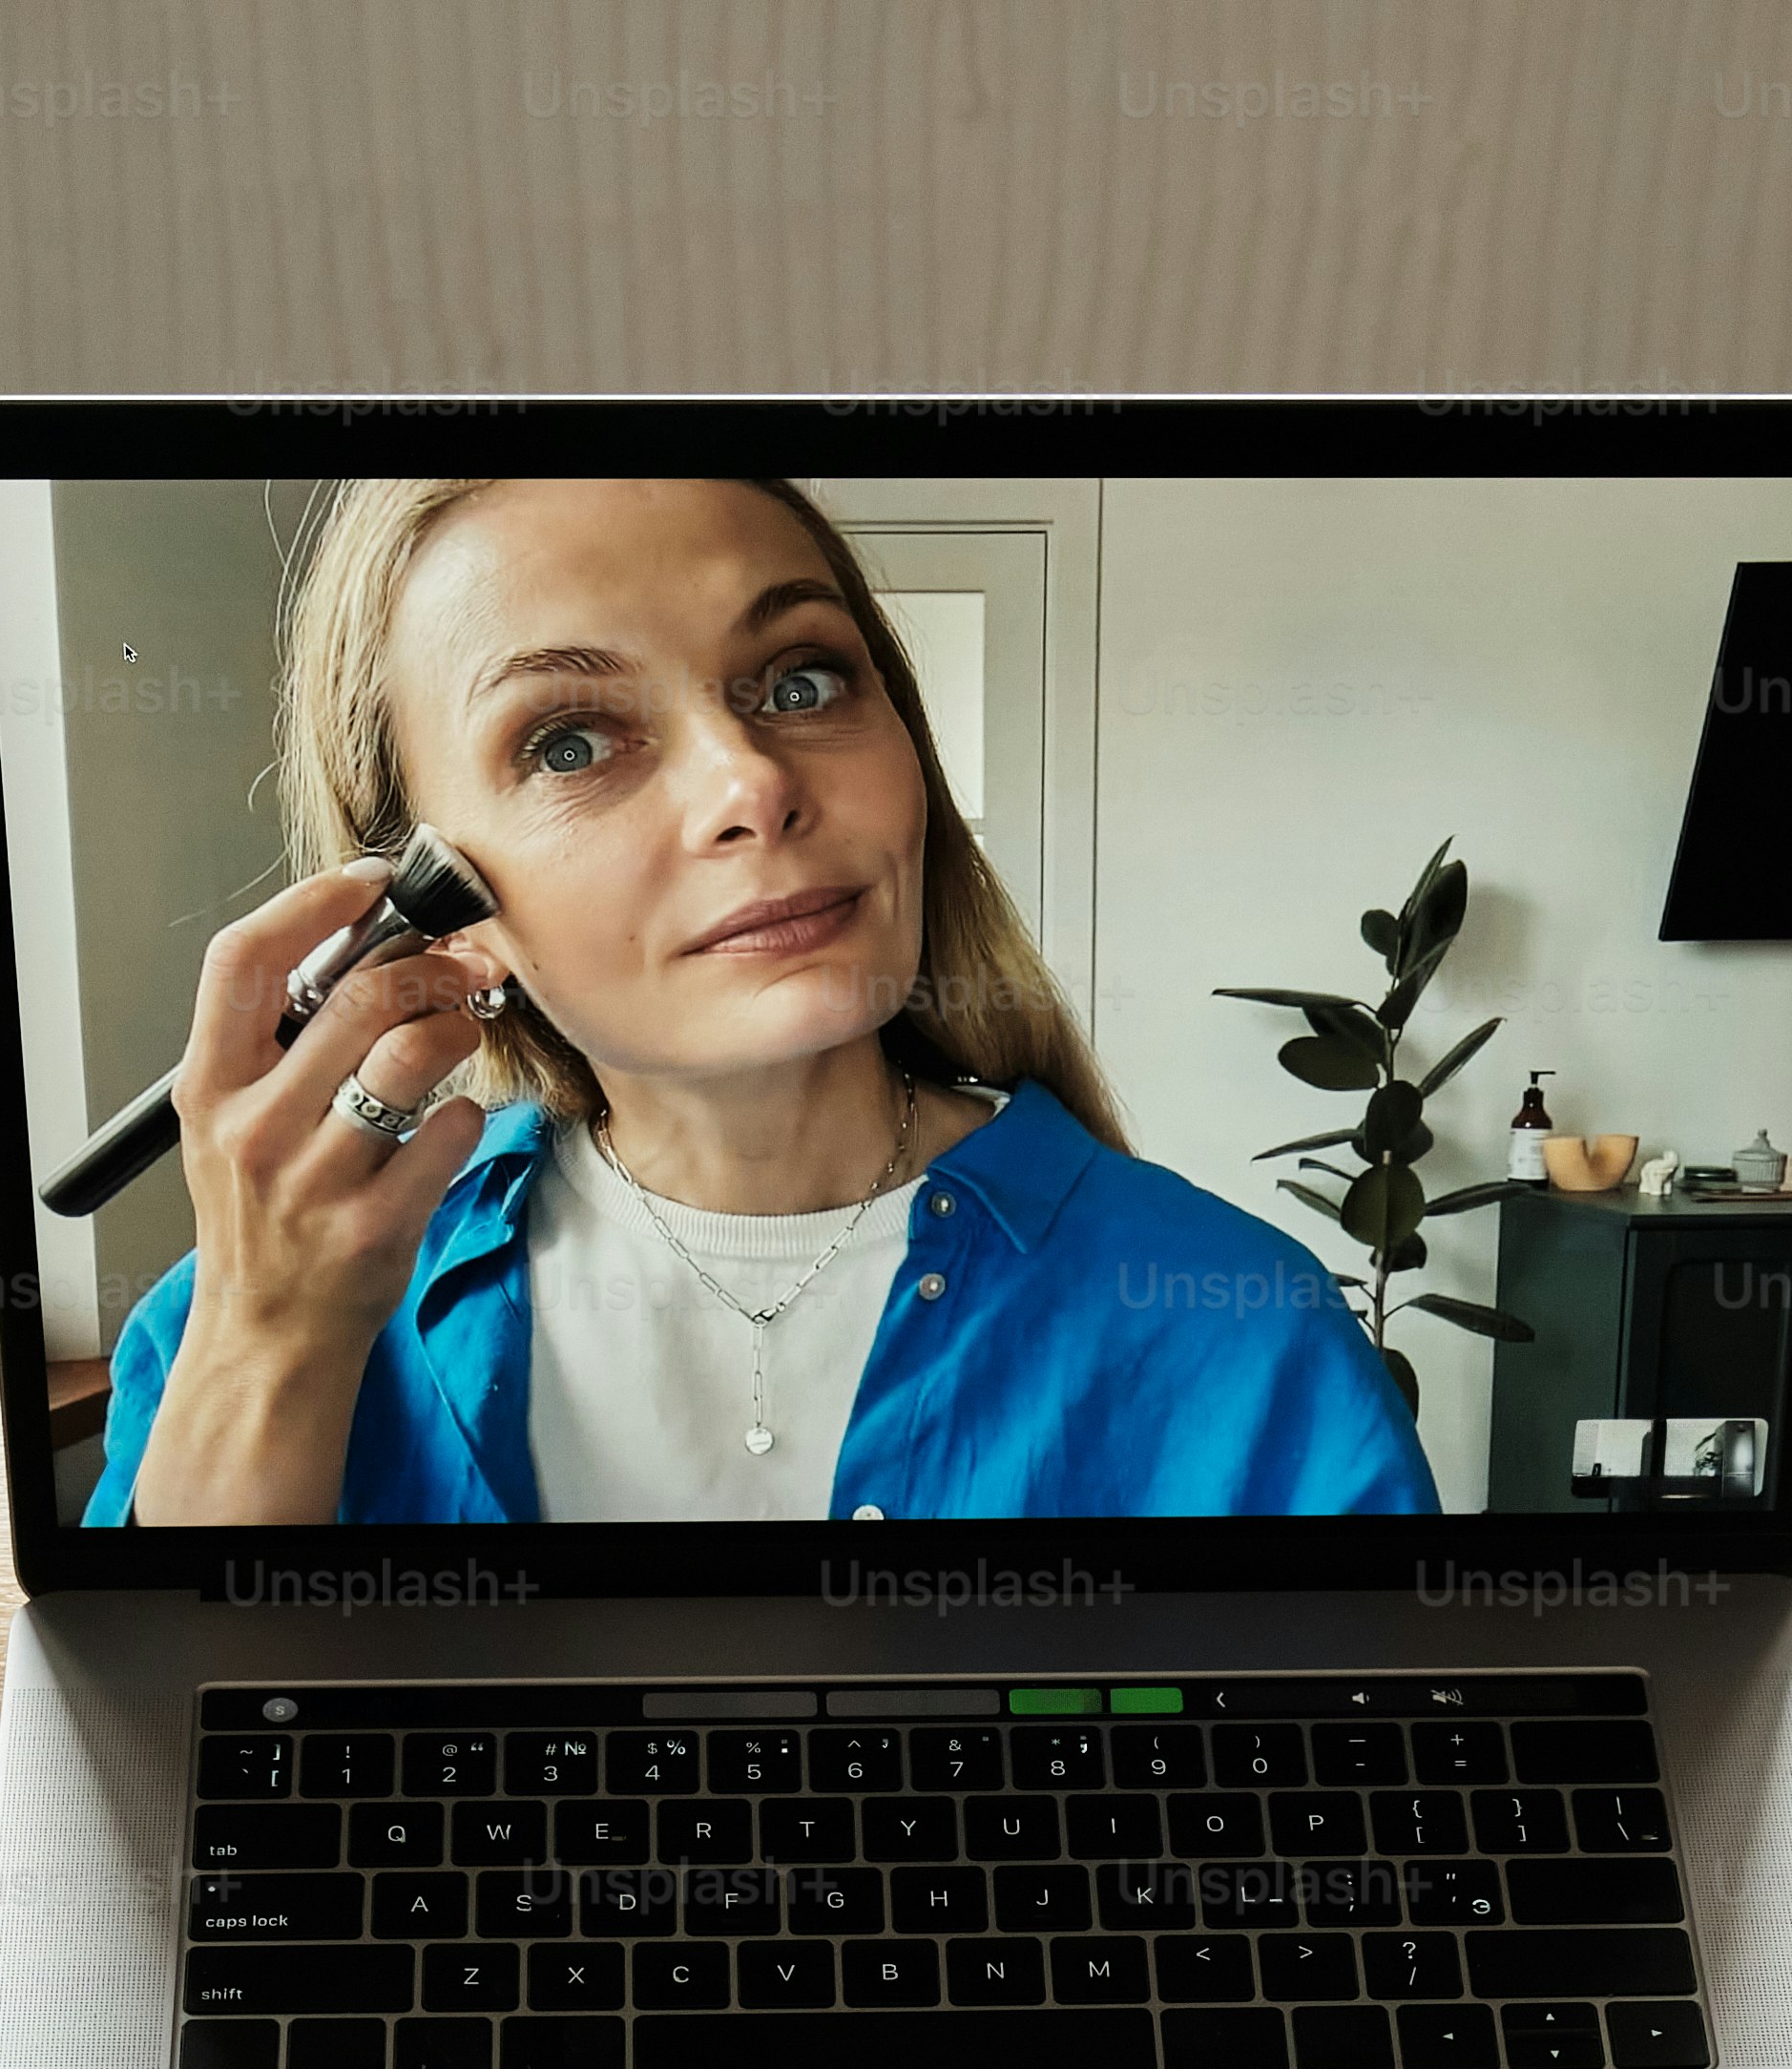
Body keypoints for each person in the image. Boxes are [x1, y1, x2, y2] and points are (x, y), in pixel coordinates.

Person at [87, 473, 1437, 1527]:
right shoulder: (231, 1323)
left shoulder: (1240, 1329)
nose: (751, 782)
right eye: (569, 741)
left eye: (802, 680)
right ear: (444, 902)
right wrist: (269, 1354)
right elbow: (157, 1834)